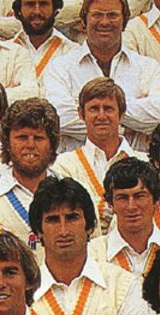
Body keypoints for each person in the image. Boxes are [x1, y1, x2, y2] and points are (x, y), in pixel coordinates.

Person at [29, 177, 150, 315]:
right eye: (53, 220)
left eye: (72, 217)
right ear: (38, 231)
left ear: (90, 226)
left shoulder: (124, 286)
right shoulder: (23, 294)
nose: (64, 230)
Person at [44, 0, 160, 151]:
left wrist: (88, 110)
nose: (104, 22)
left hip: (133, 170)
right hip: (76, 169)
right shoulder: (60, 67)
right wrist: (127, 122)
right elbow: (59, 117)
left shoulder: (147, 66)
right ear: (83, 21)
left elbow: (158, 115)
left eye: (112, 15)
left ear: (125, 22)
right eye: (97, 15)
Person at [51, 78, 140, 227]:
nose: (101, 116)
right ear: (81, 114)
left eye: (108, 108)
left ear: (122, 114)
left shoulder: (143, 162)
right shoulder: (63, 165)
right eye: (94, 109)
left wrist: (94, 206)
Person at [0, 98, 61, 246]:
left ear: (52, 144)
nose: (30, 145)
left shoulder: (74, 194)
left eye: (39, 138)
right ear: (7, 143)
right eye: (22, 137)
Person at [89, 158, 160, 276]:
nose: (131, 206)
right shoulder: (92, 254)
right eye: (122, 198)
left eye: (139, 196)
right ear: (110, 204)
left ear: (157, 200)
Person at [9, 0, 79, 93]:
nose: (37, 11)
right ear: (18, 9)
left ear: (55, 8)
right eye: (30, 4)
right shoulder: (5, 52)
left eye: (43, 4)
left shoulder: (73, 54)